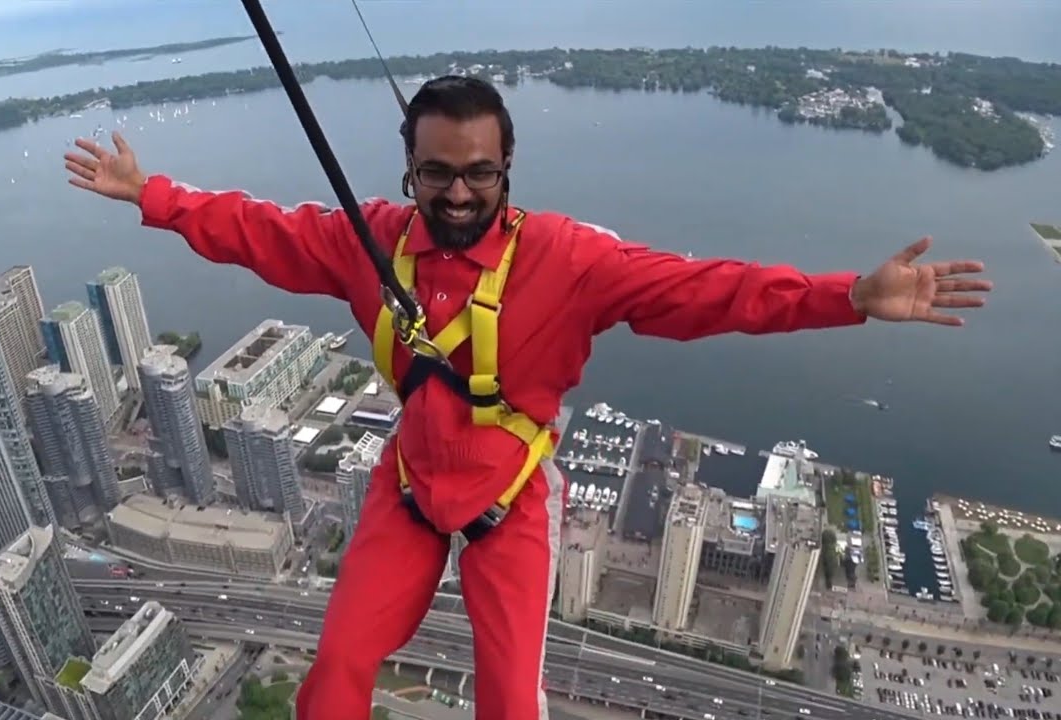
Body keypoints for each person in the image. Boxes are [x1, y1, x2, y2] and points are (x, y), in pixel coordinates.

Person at [64, 75, 990, 720]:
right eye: (438, 172)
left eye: (479, 172)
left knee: (513, 705)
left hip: (510, 502)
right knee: (337, 674)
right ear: (409, 169)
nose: (459, 192)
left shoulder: (567, 260)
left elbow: (707, 291)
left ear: (508, 170)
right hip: (411, 489)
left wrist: (847, 298)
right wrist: (153, 195)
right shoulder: (369, 242)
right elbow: (257, 228)